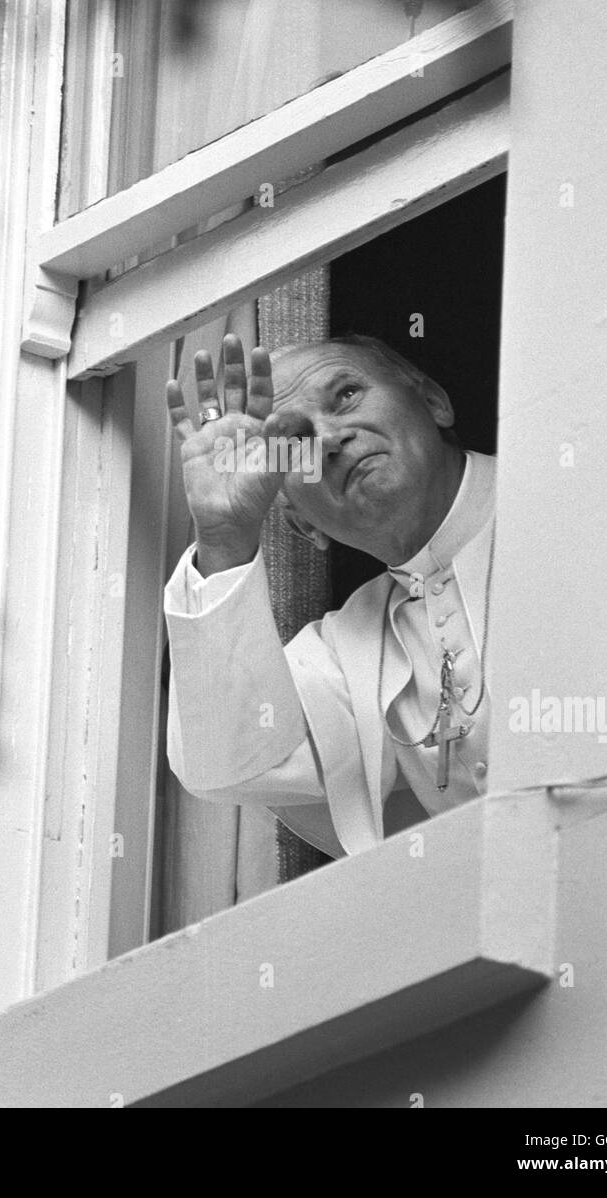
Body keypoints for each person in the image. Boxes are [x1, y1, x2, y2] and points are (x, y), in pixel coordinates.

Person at [163, 331, 496, 857]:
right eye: (294, 443)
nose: (330, 439)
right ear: (303, 526)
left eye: (345, 394)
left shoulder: (579, 492)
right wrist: (224, 539)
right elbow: (229, 760)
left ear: (433, 400)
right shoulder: (349, 648)